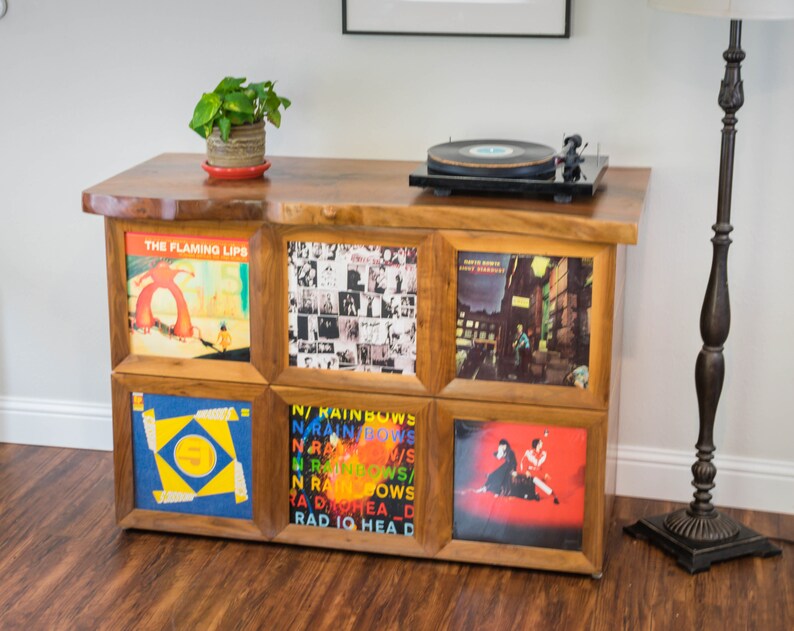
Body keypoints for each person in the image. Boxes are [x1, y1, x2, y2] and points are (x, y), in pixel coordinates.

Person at [517, 438, 559, 504]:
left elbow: (545, 465)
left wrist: (545, 473)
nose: (542, 444)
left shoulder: (544, 453)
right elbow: (523, 462)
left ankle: (552, 495)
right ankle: (534, 494)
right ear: (537, 444)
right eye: (541, 442)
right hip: (530, 472)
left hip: (539, 472)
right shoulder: (529, 452)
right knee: (532, 482)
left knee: (545, 482)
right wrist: (526, 471)